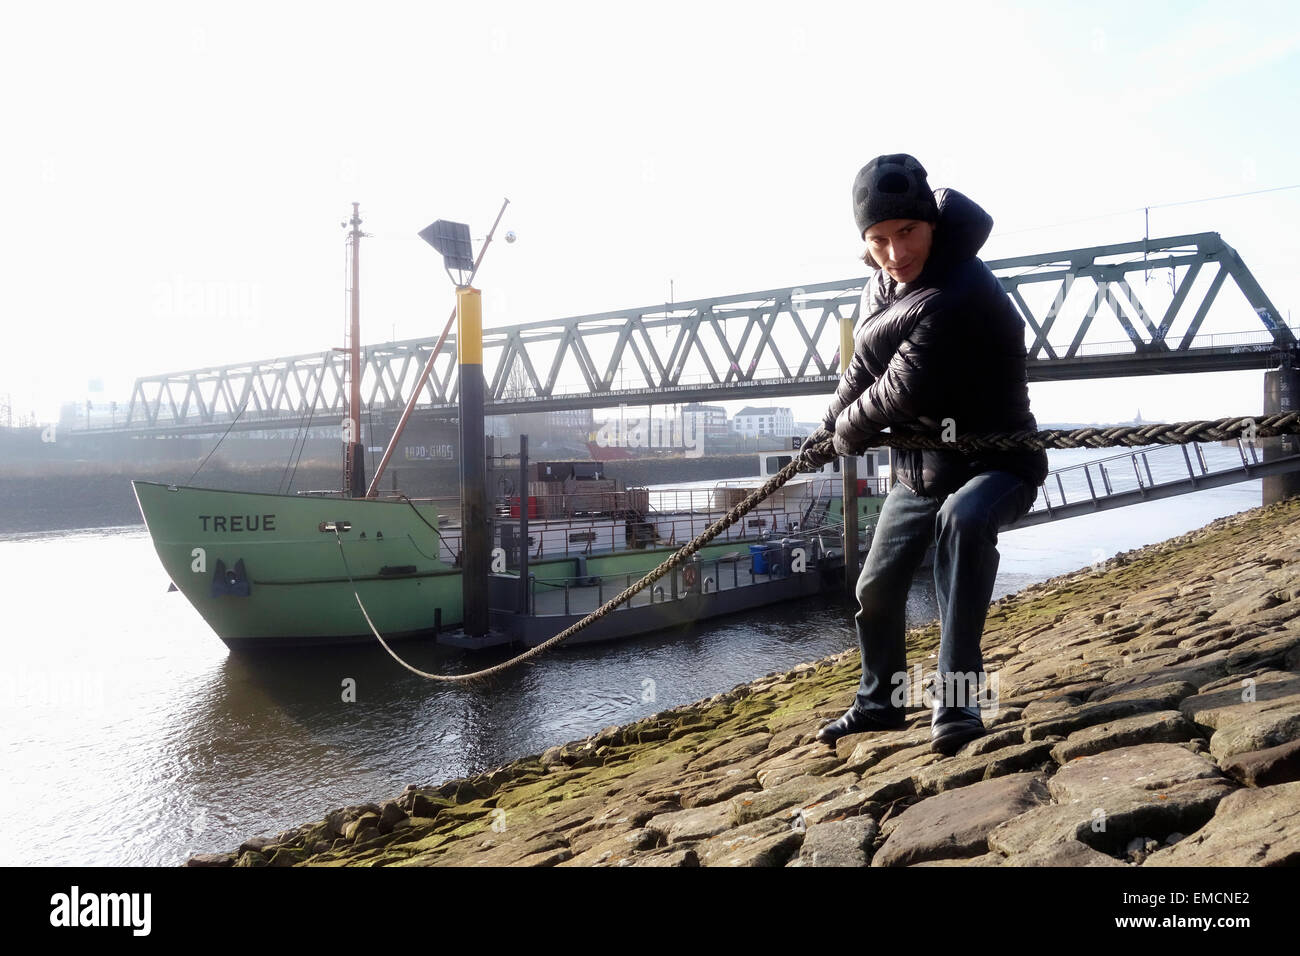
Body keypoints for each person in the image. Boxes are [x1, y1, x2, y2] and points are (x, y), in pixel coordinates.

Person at [800, 154, 1048, 756]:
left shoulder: (959, 288)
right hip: (921, 471)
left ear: (932, 223)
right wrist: (824, 429)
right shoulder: (881, 283)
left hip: (998, 463)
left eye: (906, 233)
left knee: (962, 523)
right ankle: (878, 703)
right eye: (878, 240)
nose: (894, 252)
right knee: (875, 588)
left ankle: (959, 704)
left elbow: (901, 390)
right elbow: (861, 368)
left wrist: (848, 434)